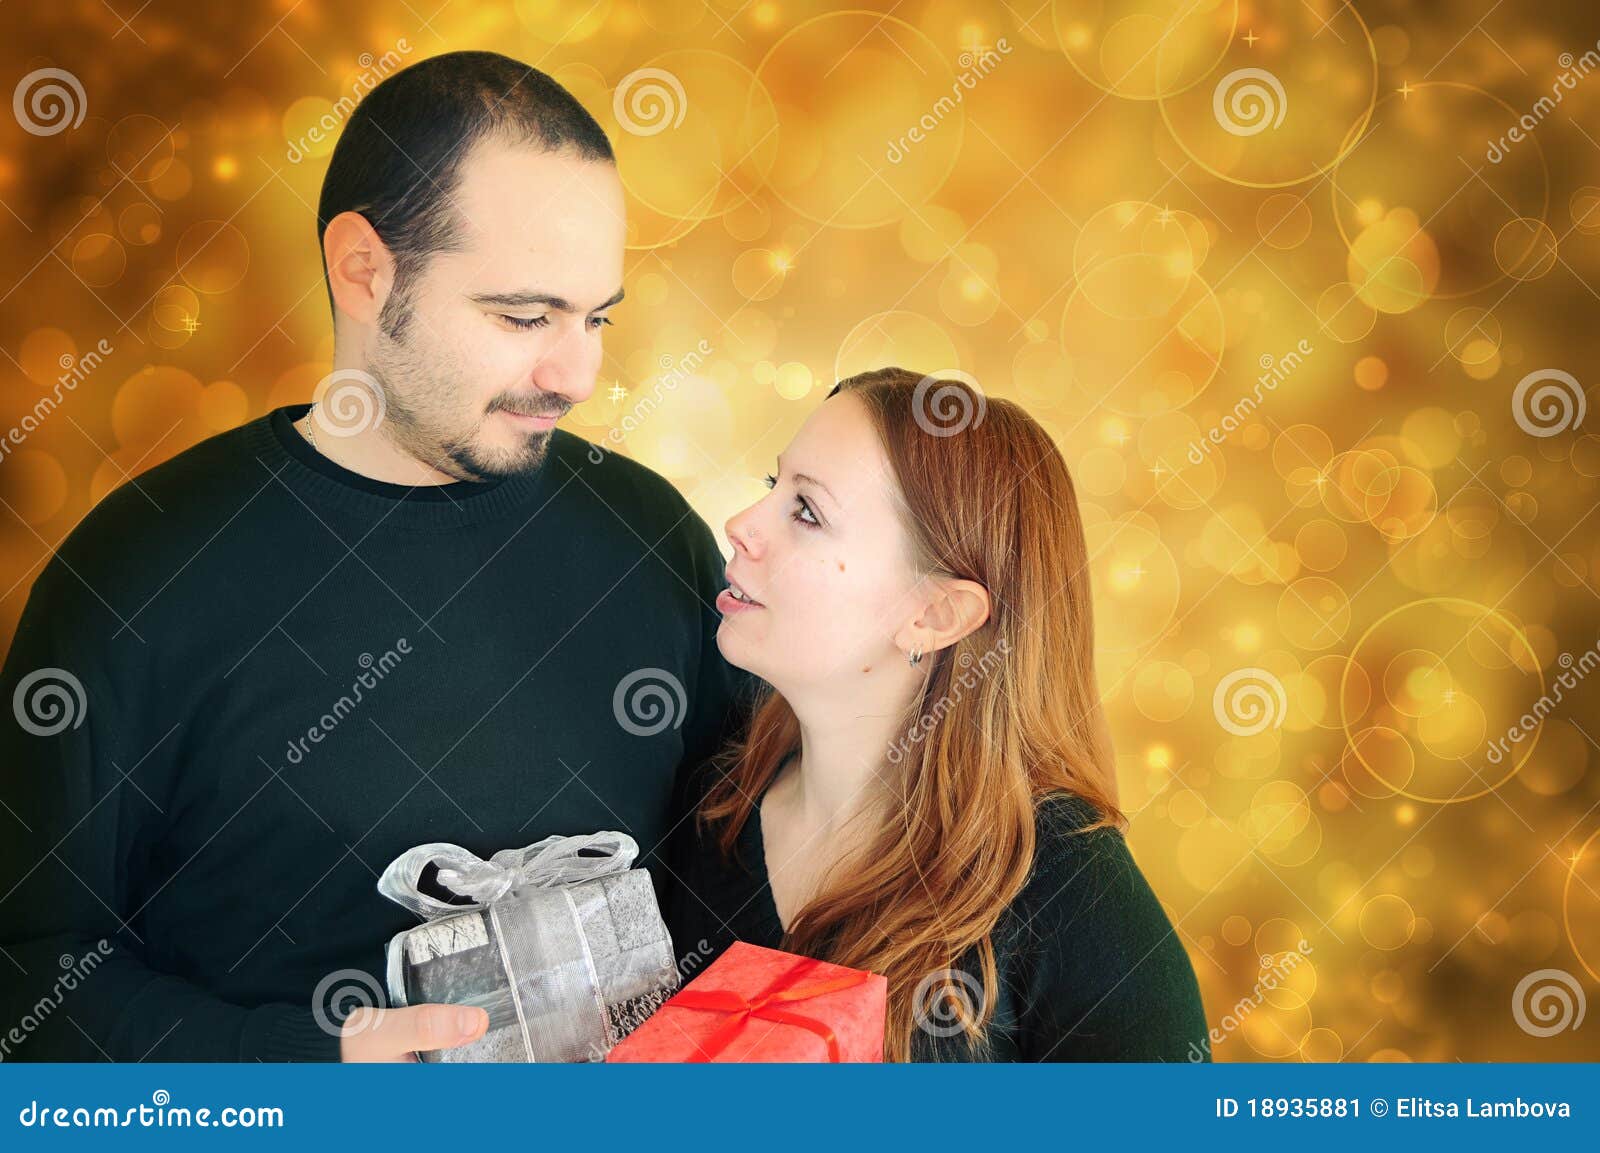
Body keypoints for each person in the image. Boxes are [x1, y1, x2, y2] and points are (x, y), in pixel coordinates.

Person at [0, 51, 750, 1062]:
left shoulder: (649, 533)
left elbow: (750, 878)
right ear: (365, 270)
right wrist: (319, 1074)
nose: (577, 372)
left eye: (596, 317)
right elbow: (26, 973)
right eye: (523, 316)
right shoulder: (141, 573)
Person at [667, 368, 1208, 1061]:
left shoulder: (1063, 880)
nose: (740, 526)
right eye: (775, 487)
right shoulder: (714, 801)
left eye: (806, 511)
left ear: (934, 613)